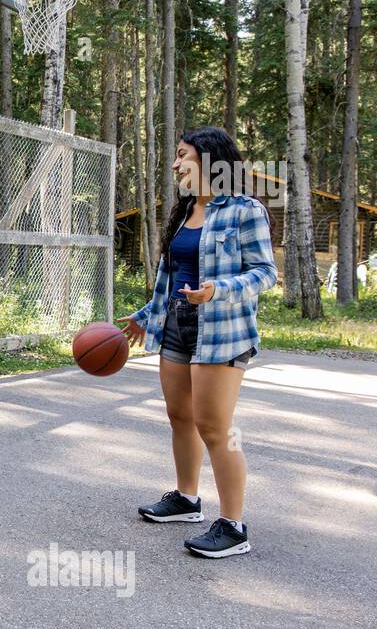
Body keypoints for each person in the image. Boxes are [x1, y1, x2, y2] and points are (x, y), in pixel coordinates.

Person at [115, 126, 278, 558]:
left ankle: (233, 525)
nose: (175, 164)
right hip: (177, 327)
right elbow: (169, 280)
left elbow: (265, 273)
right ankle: (187, 499)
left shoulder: (245, 210)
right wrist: (145, 317)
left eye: (183, 155)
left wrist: (217, 290)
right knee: (179, 417)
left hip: (222, 333)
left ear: (210, 161)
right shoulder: (185, 211)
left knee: (215, 428)